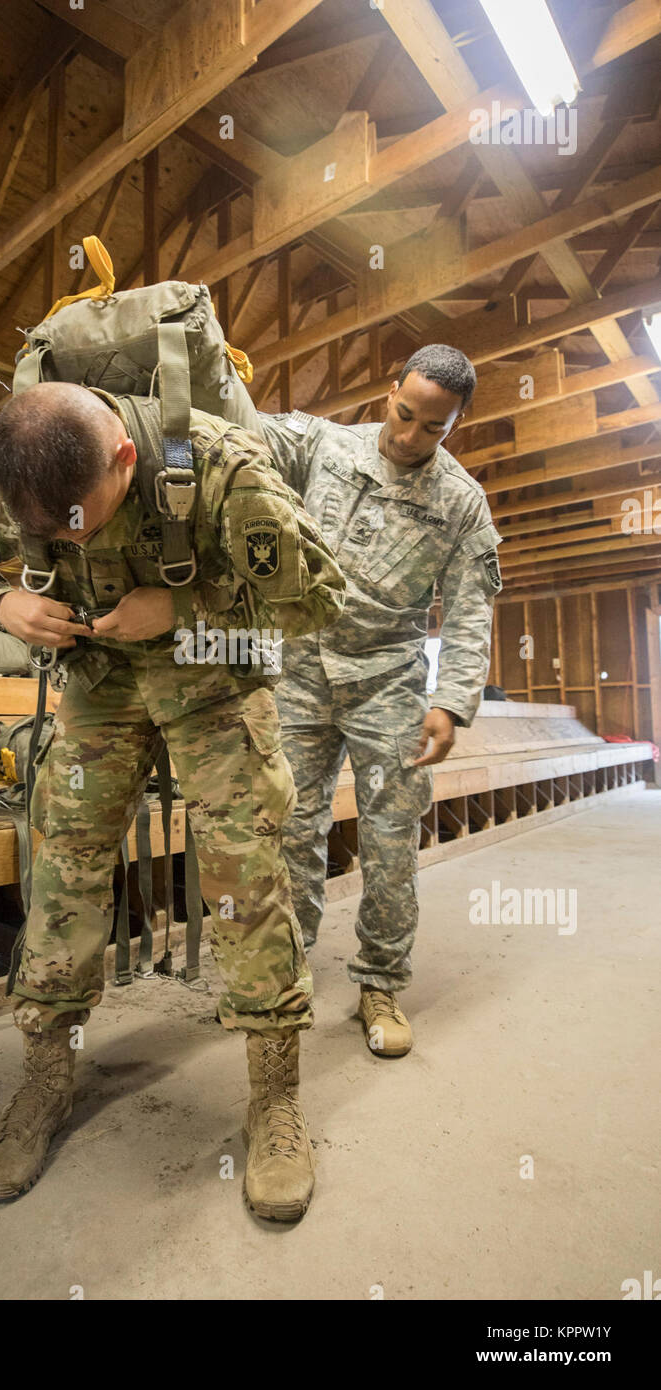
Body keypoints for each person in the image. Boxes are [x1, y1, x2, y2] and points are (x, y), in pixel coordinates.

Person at [0, 380, 346, 1221]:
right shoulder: (8, 480)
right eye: (48, 530)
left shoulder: (219, 466)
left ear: (125, 457)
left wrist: (181, 605)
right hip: (99, 681)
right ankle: (44, 1078)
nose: (72, 537)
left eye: (87, 516)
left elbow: (318, 599)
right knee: (65, 863)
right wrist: (2, 601)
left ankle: (275, 1099)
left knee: (245, 871)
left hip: (211, 672)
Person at [256, 345, 502, 1058]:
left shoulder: (461, 503)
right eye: (404, 414)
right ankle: (285, 970)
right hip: (298, 669)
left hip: (388, 678)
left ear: (454, 424)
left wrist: (452, 704)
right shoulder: (324, 446)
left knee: (391, 837)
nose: (410, 436)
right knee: (289, 828)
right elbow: (240, 426)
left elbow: (467, 613)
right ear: (388, 390)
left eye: (434, 428)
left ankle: (380, 982)